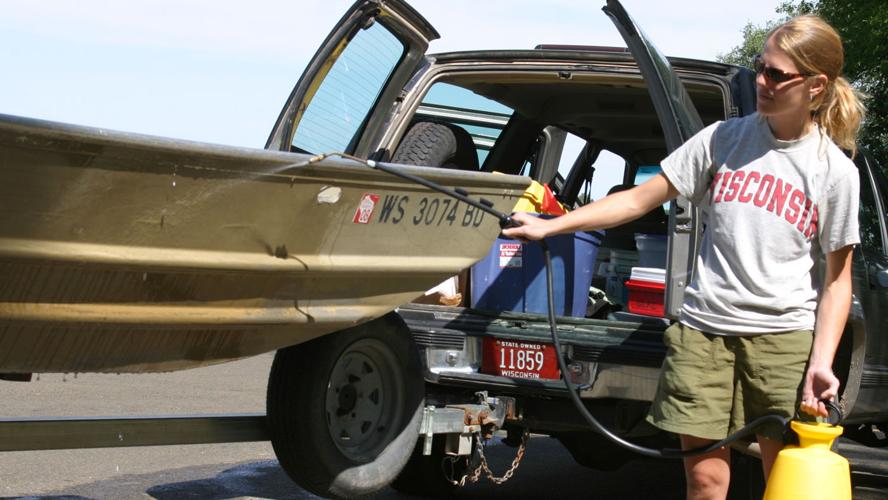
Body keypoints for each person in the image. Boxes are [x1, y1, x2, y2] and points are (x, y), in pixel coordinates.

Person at [502, 14, 865, 500]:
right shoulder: (723, 139)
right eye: (760, 67)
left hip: (781, 342)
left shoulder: (834, 172)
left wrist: (821, 361)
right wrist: (552, 224)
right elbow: (637, 199)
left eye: (776, 74)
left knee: (786, 478)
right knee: (705, 480)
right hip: (703, 333)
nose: (761, 81)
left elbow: (838, 282)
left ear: (816, 86)